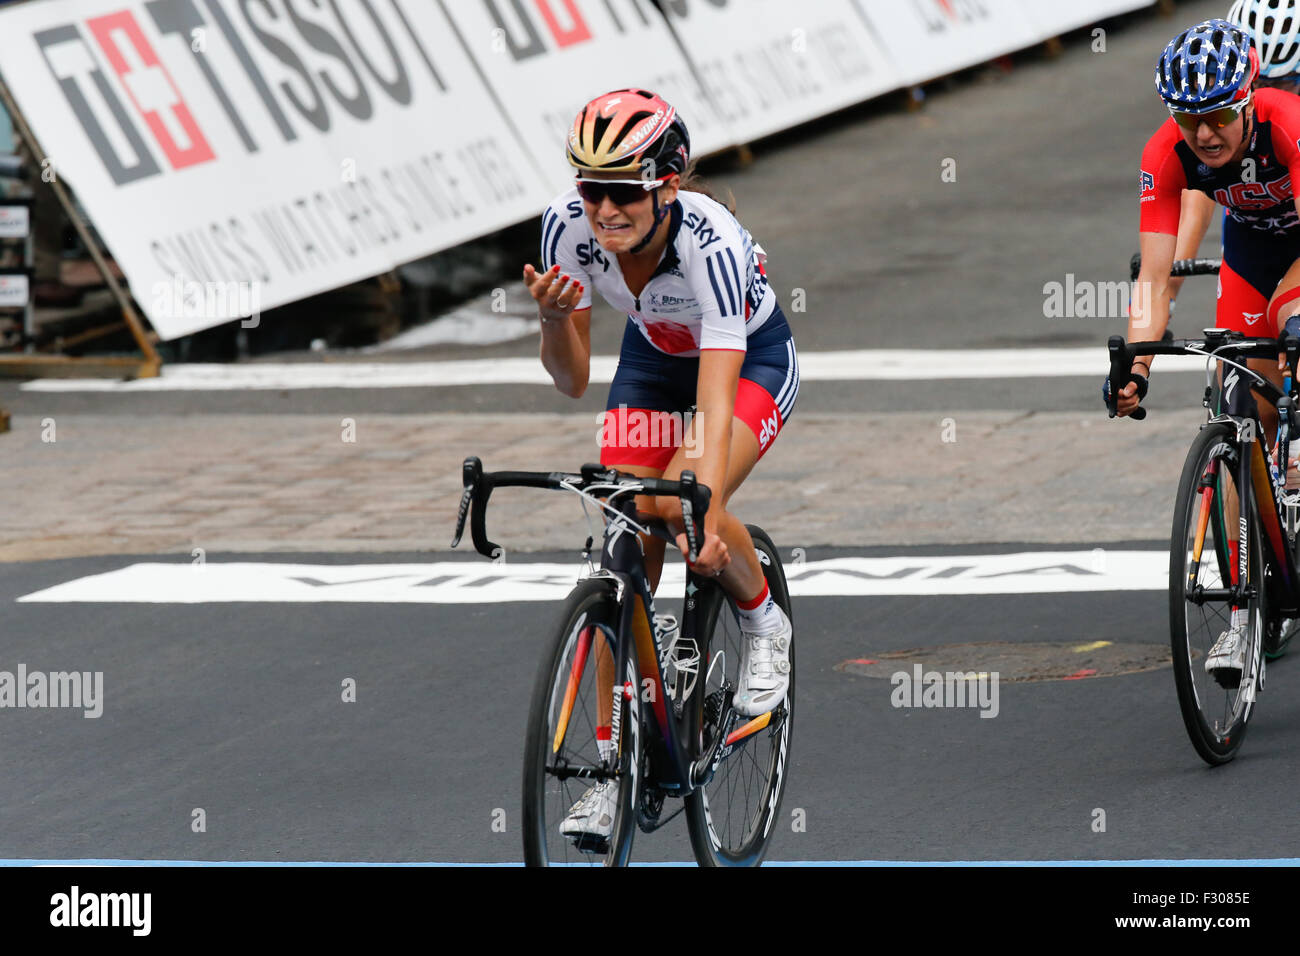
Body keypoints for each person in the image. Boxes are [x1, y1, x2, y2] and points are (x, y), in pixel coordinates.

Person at [522, 88, 799, 846]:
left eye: (623, 191)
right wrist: (553, 319)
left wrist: (700, 503)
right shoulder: (565, 230)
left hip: (746, 362)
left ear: (667, 184)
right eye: (590, 188)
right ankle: (615, 771)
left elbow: (715, 390)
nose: (604, 209)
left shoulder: (711, 241)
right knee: (623, 537)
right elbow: (571, 377)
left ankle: (762, 617)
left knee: (674, 503)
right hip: (651, 358)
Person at [1116, 18, 1300, 681]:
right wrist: (1134, 364)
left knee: (1295, 319)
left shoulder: (1287, 122)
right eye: (1190, 118)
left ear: (1248, 98)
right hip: (1252, 253)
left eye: (1220, 114)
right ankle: (1245, 612)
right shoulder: (1166, 153)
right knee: (1239, 403)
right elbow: (1155, 276)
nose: (1205, 133)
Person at [1167, 1, 1300, 312]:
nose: (1264, 97)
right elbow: (1196, 200)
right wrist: (1168, 290)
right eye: (1255, 84)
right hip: (1255, 238)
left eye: (1282, 83)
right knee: (1237, 356)